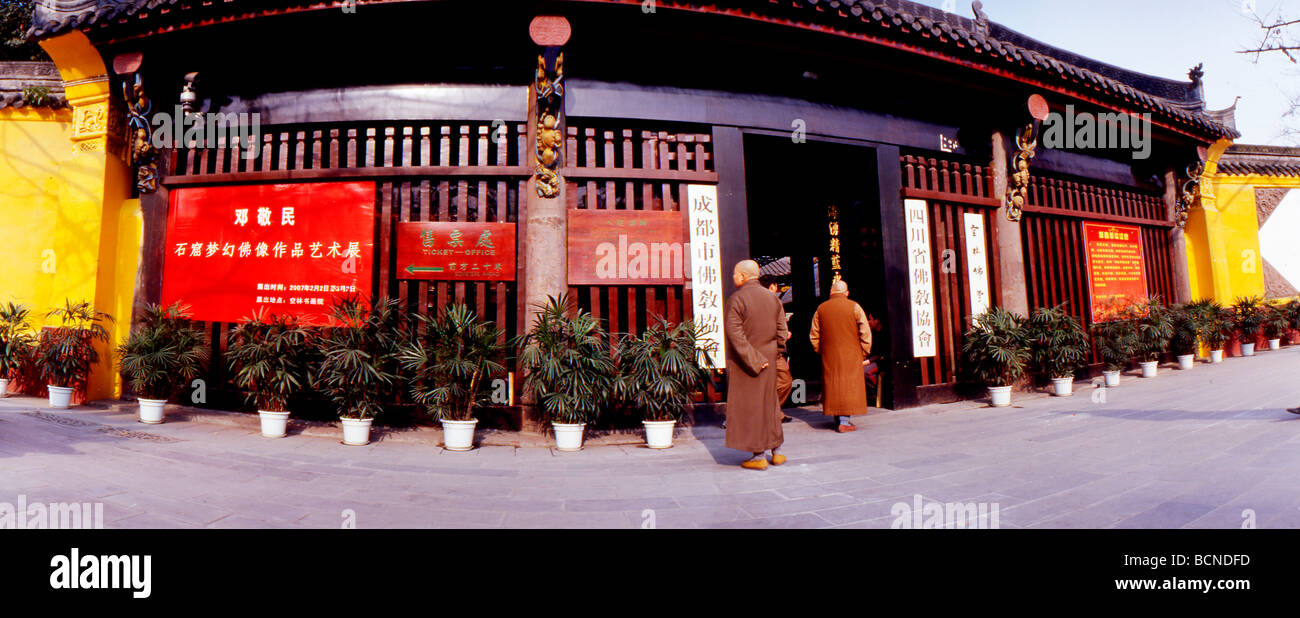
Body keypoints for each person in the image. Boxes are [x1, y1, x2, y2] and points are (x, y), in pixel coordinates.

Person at [724, 260, 789, 470]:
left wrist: (754, 360)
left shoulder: (737, 299)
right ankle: (777, 452)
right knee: (770, 405)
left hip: (749, 362)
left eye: (734, 274)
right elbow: (782, 331)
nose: (733, 278)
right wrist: (775, 353)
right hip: (770, 358)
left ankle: (758, 455)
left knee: (752, 407)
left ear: (742, 276)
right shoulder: (772, 298)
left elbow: (735, 335)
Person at [809, 279, 872, 433]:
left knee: (834, 385)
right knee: (848, 386)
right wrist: (864, 351)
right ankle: (844, 422)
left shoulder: (821, 308)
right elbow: (865, 331)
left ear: (831, 292)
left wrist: (821, 351)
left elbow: (814, 335)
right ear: (847, 293)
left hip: (829, 355)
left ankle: (838, 419)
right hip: (852, 354)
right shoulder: (855, 307)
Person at [760, 274, 794, 423]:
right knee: (785, 381)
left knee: (778, 381)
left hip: (760, 349)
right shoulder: (774, 301)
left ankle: (773, 412)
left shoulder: (754, 301)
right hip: (773, 350)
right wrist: (783, 338)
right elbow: (780, 327)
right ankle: (769, 412)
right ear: (773, 286)